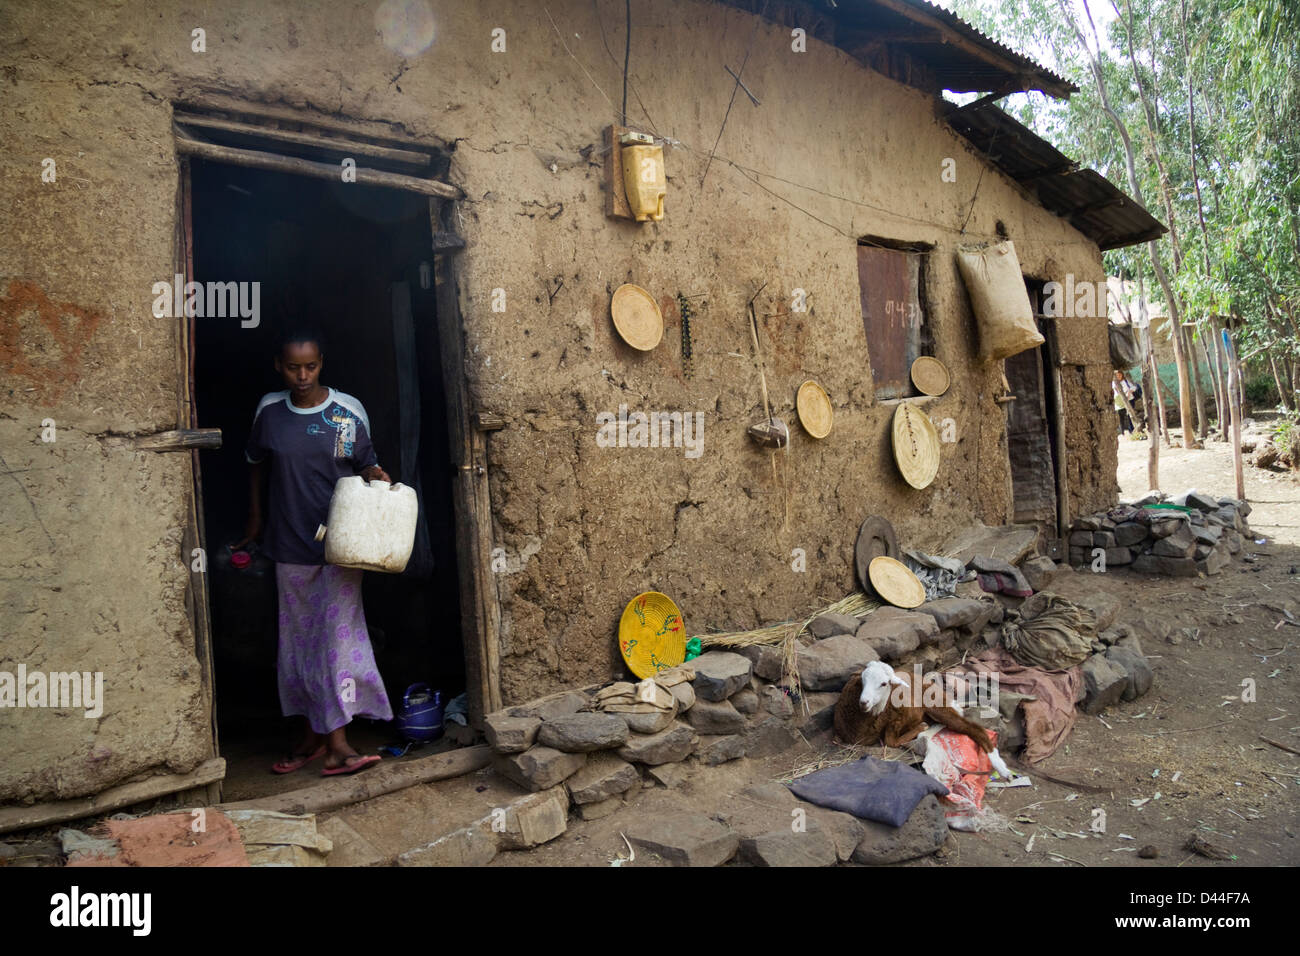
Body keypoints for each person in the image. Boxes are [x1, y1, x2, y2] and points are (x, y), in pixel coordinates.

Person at [235, 329, 393, 776]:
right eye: (292, 367)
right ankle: (309, 737)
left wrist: (380, 477)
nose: (302, 376)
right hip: (288, 542)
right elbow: (255, 467)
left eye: (311, 366)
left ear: (322, 362)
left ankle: (338, 743)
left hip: (341, 545)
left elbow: (366, 465)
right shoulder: (270, 412)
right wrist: (255, 520)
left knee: (337, 640)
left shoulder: (347, 413)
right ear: (278, 366)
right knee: (298, 643)